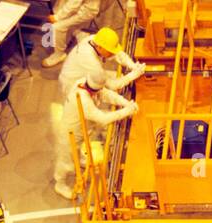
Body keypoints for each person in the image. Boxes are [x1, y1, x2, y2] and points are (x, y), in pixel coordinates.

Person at [54, 70, 138, 199]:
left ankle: (81, 160)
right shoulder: (82, 99)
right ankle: (60, 184)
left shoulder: (86, 84)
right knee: (66, 161)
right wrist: (126, 111)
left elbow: (106, 94)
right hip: (69, 133)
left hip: (82, 129)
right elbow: (103, 118)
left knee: (78, 148)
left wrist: (125, 103)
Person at [57, 27, 145, 95]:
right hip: (72, 83)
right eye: (110, 51)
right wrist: (133, 75)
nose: (112, 53)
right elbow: (113, 85)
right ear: (100, 48)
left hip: (83, 72)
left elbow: (118, 53)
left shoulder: (95, 39)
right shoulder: (92, 63)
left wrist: (133, 65)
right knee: (89, 103)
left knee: (119, 77)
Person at [40, 0, 102, 69]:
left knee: (57, 27)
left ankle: (59, 55)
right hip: (82, 6)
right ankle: (70, 36)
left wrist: (57, 17)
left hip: (86, 10)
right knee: (65, 21)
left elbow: (74, 4)